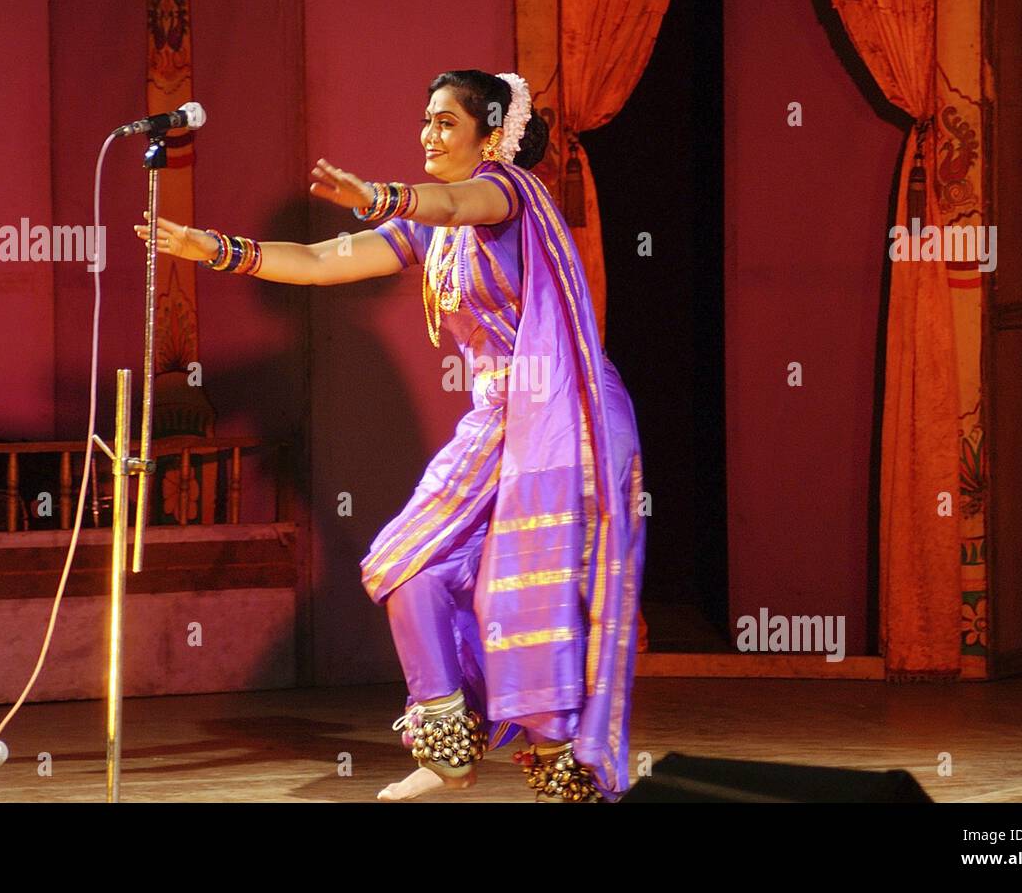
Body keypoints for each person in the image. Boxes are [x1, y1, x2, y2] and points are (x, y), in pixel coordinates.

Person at [135, 69, 645, 802]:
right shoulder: (430, 231)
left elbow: (455, 199)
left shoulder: (507, 194)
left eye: (445, 122)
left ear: (491, 131)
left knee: (531, 595)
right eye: (425, 120)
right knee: (411, 568)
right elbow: (317, 264)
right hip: (500, 420)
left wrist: (378, 195)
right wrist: (211, 249)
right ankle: (447, 746)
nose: (427, 135)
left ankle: (570, 779)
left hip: (559, 419)